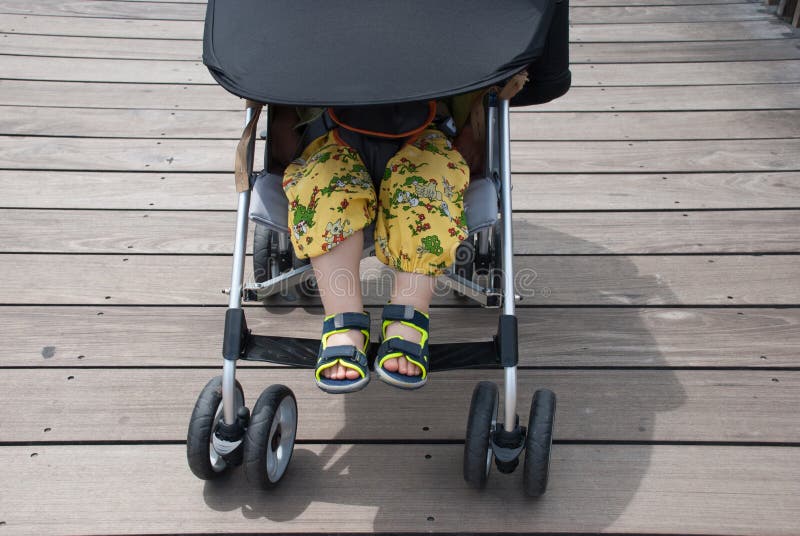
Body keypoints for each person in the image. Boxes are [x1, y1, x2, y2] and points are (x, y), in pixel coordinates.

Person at [270, 94, 485, 393]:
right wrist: (283, 117)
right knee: (325, 196)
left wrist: (475, 125)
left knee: (426, 196)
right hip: (332, 131)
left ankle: (408, 315)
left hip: (425, 129)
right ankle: (343, 321)